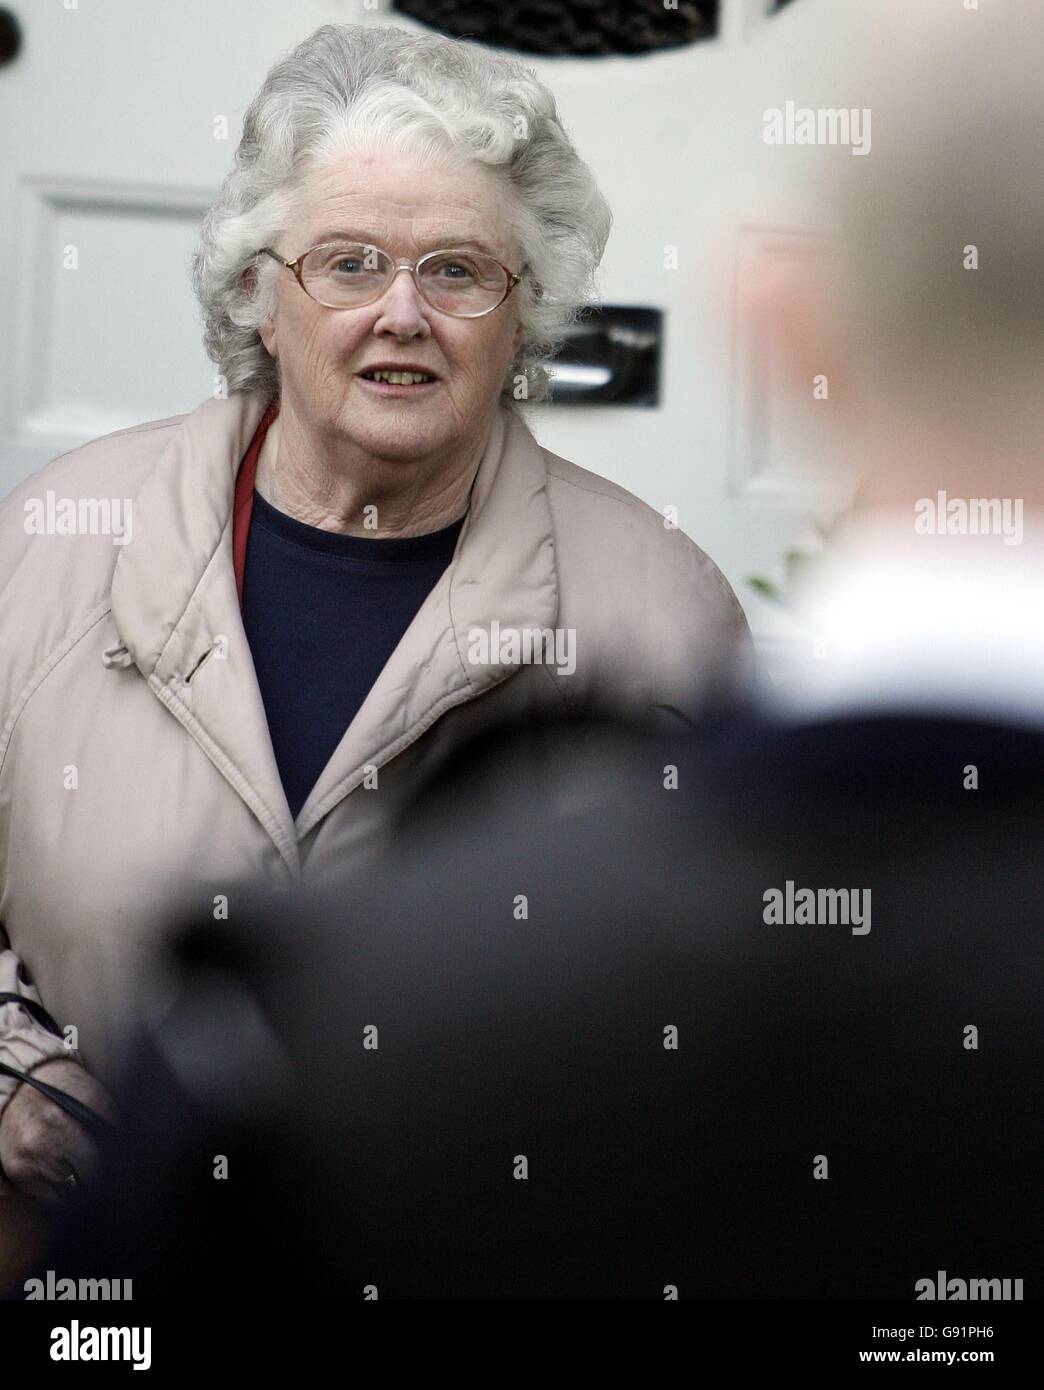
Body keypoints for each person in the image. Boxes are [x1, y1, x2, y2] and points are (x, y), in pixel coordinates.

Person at [0, 24, 751, 1207]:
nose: (403, 312)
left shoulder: (661, 610)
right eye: (350, 262)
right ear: (259, 291)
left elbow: (721, 1007)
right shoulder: (51, 540)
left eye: (457, 269)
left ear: (525, 310)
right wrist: (15, 1082)